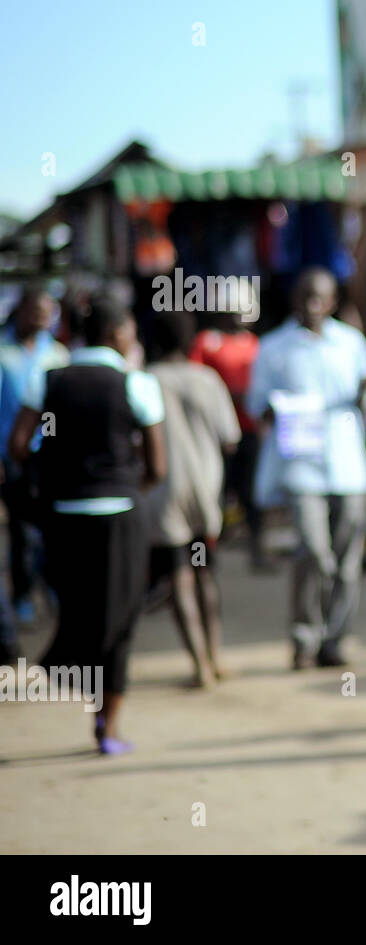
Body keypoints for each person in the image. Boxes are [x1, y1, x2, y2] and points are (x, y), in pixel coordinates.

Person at [8, 296, 166, 754]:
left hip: (64, 514)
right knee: (120, 618)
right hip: (119, 513)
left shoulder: (50, 378)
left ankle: (64, 667)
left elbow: (20, 444)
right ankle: (107, 723)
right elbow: (157, 463)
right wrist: (128, 484)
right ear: (117, 334)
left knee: (78, 607)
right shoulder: (134, 383)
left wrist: (53, 467)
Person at [247, 268, 366, 670]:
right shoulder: (274, 348)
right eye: (304, 296)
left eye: (319, 297)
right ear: (293, 300)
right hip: (301, 465)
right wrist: (281, 409)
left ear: (333, 301)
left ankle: (334, 640)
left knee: (345, 560)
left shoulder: (351, 342)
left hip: (347, 465)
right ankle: (305, 636)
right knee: (314, 552)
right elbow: (256, 406)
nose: (311, 305)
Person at [148, 310, 241, 687]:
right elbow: (231, 438)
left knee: (178, 577)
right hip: (204, 491)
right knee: (204, 572)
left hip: (164, 493)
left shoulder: (146, 380)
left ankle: (199, 663)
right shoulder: (207, 379)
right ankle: (216, 655)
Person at [188, 292, 272, 571]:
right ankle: (205, 554)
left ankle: (258, 550)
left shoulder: (256, 345)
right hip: (215, 433)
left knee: (251, 493)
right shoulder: (207, 343)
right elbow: (196, 380)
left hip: (248, 430)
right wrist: (226, 396)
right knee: (213, 491)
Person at [0, 287, 69, 622]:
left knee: (52, 530)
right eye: (36, 311)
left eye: (48, 313)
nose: (42, 319)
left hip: (49, 457)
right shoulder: (3, 354)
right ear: (22, 310)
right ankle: (23, 595)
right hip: (11, 458)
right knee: (21, 532)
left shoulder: (57, 355)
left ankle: (53, 589)